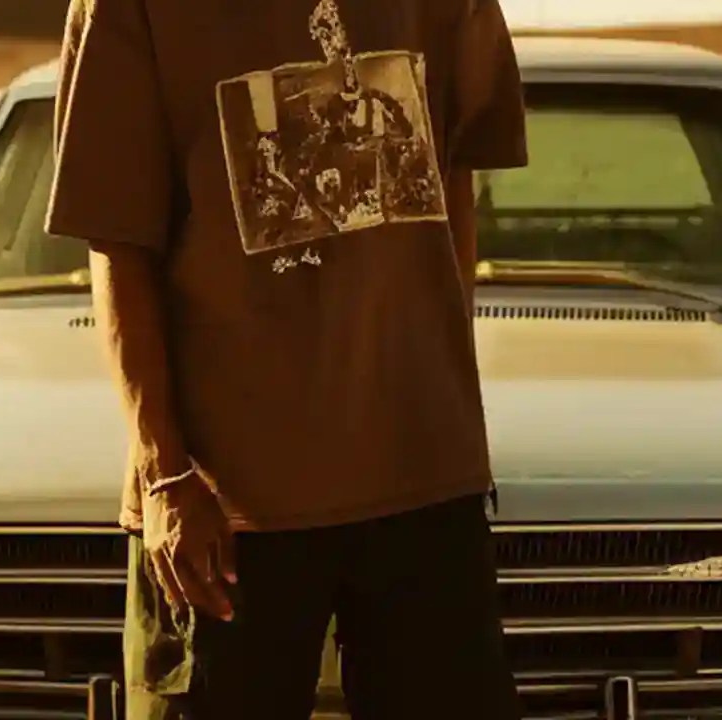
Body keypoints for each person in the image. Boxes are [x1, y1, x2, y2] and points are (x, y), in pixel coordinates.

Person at [46, 0, 528, 717]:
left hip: (421, 482)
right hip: (226, 510)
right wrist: (165, 473)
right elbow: (117, 243)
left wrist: (441, 396)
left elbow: (451, 175)